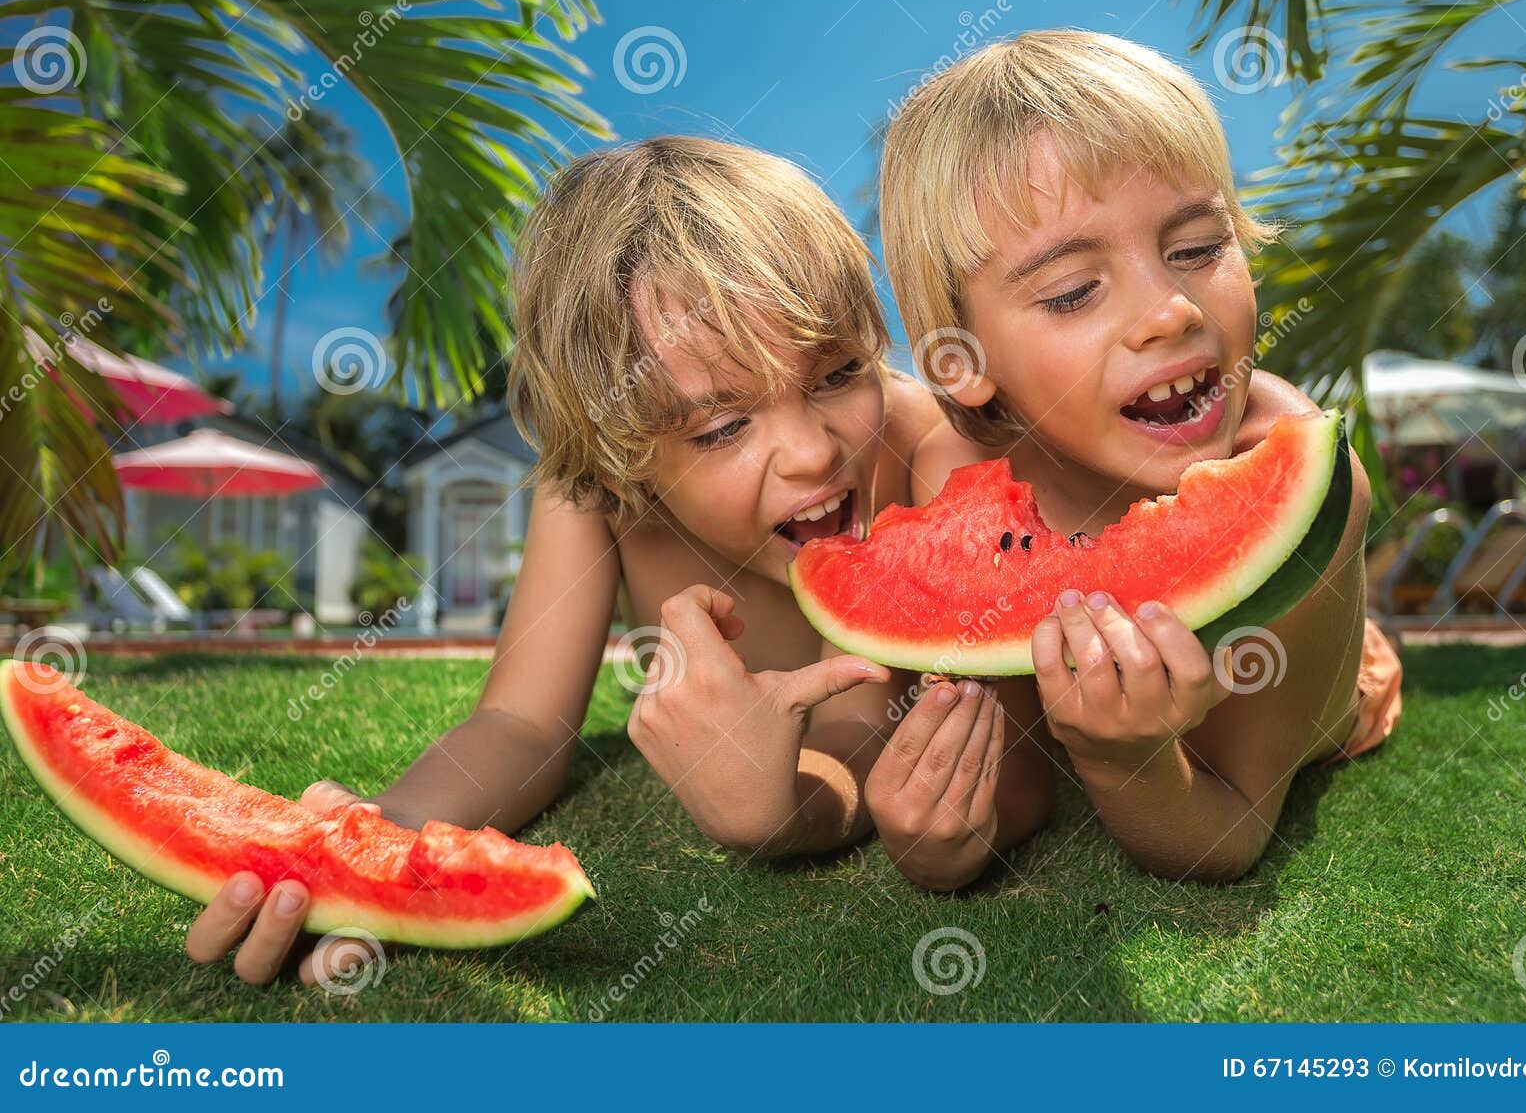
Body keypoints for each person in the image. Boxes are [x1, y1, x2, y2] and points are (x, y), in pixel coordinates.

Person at [186, 135, 1045, 985]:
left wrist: (786, 812)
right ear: (616, 453)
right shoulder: (594, 493)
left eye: (836, 373)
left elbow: (859, 726)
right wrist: (387, 841)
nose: (811, 452)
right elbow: (522, 724)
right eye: (722, 427)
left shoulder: (929, 454)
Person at [882, 30, 1403, 884]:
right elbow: (1012, 777)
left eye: (1198, 247)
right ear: (964, 361)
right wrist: (941, 834)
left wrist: (1129, 764)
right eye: (1071, 292)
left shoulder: (1307, 478)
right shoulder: (957, 480)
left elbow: (1228, 827)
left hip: (1308, 703)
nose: (1168, 310)